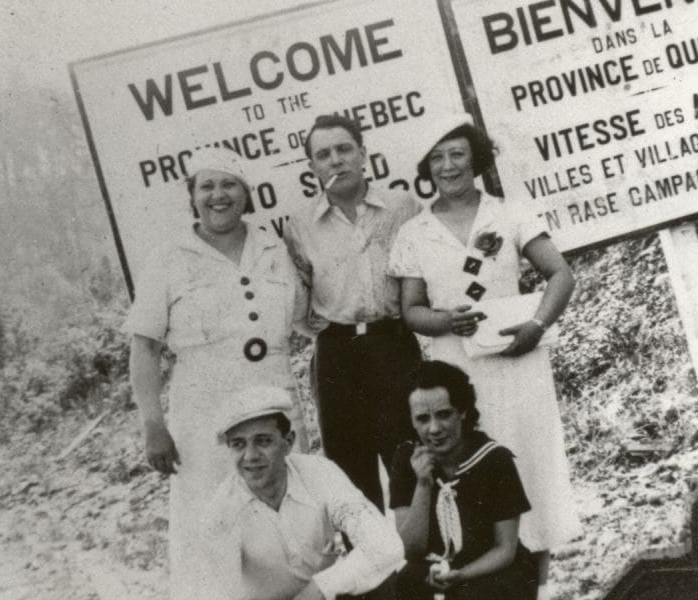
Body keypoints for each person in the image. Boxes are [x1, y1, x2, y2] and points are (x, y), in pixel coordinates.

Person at [388, 112, 580, 585]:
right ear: (425, 168)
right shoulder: (415, 232)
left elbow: (561, 274)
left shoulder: (509, 212)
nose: (448, 166)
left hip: (518, 364)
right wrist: (444, 320)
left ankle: (535, 586)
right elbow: (410, 309)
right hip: (457, 376)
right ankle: (477, 581)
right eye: (436, 158)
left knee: (529, 470)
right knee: (470, 479)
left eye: (457, 153)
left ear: (475, 157)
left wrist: (536, 324)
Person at [124, 148, 309, 599]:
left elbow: (307, 319)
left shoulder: (273, 248)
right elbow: (144, 347)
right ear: (192, 197)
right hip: (204, 416)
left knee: (291, 518)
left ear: (247, 194)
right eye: (206, 186)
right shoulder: (169, 257)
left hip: (274, 404)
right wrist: (153, 425)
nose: (218, 195)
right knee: (211, 528)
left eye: (229, 184)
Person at [284, 114, 422, 510]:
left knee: (410, 461)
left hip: (393, 345)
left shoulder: (400, 206)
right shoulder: (301, 225)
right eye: (323, 155)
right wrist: (328, 333)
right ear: (312, 167)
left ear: (363, 154)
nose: (336, 161)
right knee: (349, 473)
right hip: (337, 357)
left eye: (344, 149)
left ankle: (424, 563)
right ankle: (374, 570)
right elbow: (299, 298)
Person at [198, 385, 404, 600]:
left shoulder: (318, 472)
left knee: (385, 580)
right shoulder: (219, 513)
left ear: (288, 442)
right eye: (238, 444)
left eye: (263, 441)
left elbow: (386, 545)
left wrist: (319, 589)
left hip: (324, 596)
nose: (250, 456)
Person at [390, 360, 537, 600]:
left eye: (444, 414)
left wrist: (461, 575)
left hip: (491, 568)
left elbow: (505, 549)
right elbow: (410, 549)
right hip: (435, 567)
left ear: (463, 411)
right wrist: (423, 483)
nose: (434, 428)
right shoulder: (407, 458)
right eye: (422, 419)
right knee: (404, 584)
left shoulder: (494, 459)